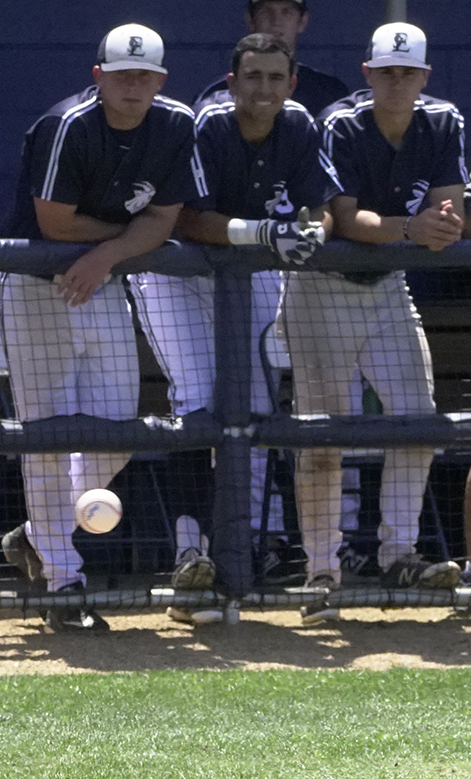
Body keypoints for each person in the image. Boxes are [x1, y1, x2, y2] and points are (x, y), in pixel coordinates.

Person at [0, 24, 197, 632]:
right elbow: (54, 223)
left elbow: (164, 218)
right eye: (123, 75)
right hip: (34, 286)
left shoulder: (175, 123)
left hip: (101, 280)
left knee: (117, 429)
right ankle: (64, 583)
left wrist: (108, 255)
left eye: (146, 77)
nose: (134, 86)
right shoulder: (69, 125)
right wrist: (124, 243)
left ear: (161, 82)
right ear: (99, 76)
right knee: (49, 436)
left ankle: (37, 532)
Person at [128, 33, 336, 625]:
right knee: (198, 398)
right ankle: (191, 552)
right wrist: (262, 233)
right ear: (232, 81)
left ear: (290, 84)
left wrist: (310, 229)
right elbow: (188, 219)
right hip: (178, 273)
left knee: (254, 405)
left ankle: (243, 552)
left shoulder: (297, 124)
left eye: (275, 77)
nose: (264, 89)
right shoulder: (209, 124)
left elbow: (318, 202)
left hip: (248, 274)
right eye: (253, 77)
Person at [281, 22, 464, 626]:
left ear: (424, 78)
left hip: (387, 285)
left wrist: (439, 226)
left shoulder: (442, 120)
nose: (397, 81)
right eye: (387, 71)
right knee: (324, 437)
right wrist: (412, 229)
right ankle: (321, 571)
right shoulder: (339, 122)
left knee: (418, 421)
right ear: (368, 73)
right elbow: (345, 217)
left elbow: (449, 209)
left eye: (407, 72)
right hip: (324, 290)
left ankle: (399, 555)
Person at [195, 0, 348, 118]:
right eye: (265, 12)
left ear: (302, 22)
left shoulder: (330, 92)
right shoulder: (214, 96)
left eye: (286, 12)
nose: (276, 21)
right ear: (250, 21)